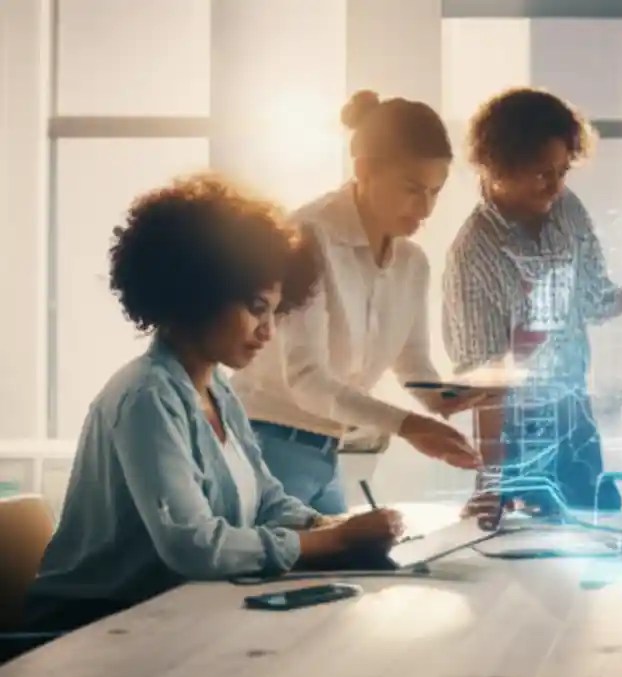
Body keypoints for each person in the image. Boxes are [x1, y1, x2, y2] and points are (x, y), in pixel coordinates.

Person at [22, 176, 405, 633]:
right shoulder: (147, 397)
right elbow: (195, 546)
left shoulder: (217, 389)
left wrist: (326, 522)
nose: (268, 330)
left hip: (168, 616)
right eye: (255, 308)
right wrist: (334, 540)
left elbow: (265, 499)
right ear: (197, 293)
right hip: (88, 630)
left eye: (274, 312)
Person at [442, 87, 622, 523]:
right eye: (542, 173)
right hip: (516, 429)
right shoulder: (473, 255)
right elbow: (484, 380)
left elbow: (597, 303)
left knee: (604, 530)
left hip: (574, 415)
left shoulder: (567, 209)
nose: (556, 185)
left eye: (563, 171)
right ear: (498, 168)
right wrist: (491, 482)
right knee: (526, 562)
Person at [231, 90, 485, 515]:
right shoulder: (307, 238)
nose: (424, 208)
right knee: (276, 576)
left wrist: (455, 398)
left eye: (435, 192)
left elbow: (413, 364)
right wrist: (409, 425)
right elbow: (308, 380)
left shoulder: (411, 262)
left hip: (329, 451)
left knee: (342, 572)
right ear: (364, 170)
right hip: (267, 443)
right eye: (411, 189)